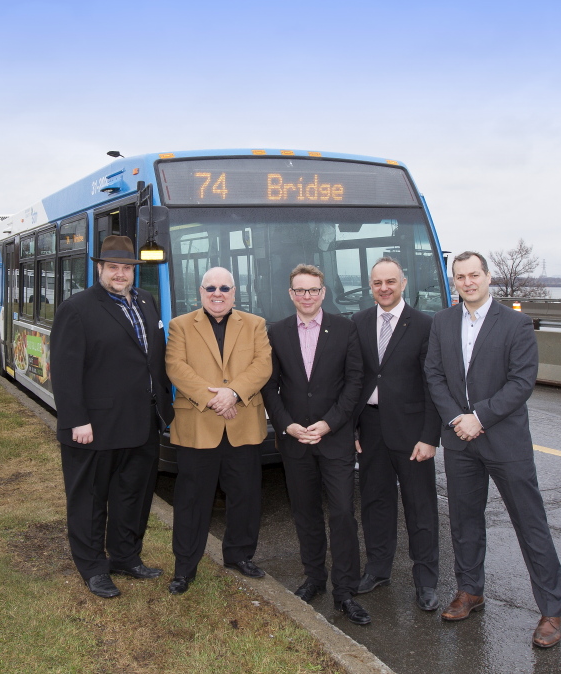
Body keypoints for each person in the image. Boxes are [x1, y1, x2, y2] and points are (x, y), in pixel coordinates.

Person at [424, 251, 561, 648]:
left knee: (530, 523)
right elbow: (433, 375)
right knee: (465, 520)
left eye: (474, 275)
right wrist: (456, 419)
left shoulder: (516, 323)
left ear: (488, 278)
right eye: (461, 277)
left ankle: (551, 610)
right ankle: (470, 591)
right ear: (454, 281)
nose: (468, 282)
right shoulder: (443, 321)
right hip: (459, 440)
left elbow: (522, 382)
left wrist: (479, 417)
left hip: (505, 440)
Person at [50, 235, 174, 599]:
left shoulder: (146, 302)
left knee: (133, 496)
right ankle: (92, 568)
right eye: (113, 267)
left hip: (142, 422)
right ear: (100, 268)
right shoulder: (77, 308)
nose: (121, 274)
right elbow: (65, 369)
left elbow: (153, 359)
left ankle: (126, 557)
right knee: (89, 500)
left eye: (127, 268)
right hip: (94, 427)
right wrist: (76, 420)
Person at [261, 264, 370, 626]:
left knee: (341, 514)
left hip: (335, 438)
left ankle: (345, 590)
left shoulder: (345, 328)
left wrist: (329, 423)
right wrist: (287, 425)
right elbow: (269, 386)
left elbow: (354, 382)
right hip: (295, 442)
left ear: (323, 292)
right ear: (290, 294)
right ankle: (314, 578)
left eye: (313, 290)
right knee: (305, 513)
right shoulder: (276, 332)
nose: (306, 296)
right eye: (299, 290)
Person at [164, 267, 272, 595]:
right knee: (192, 501)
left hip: (242, 424)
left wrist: (234, 393)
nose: (217, 293)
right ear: (200, 291)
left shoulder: (255, 325)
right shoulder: (180, 325)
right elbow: (175, 367)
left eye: (224, 287)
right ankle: (185, 567)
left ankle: (239, 555)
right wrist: (215, 399)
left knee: (246, 497)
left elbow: (262, 365)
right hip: (198, 426)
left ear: (235, 292)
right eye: (210, 287)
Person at [351, 257, 442, 612]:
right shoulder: (357, 323)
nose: (384, 288)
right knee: (375, 504)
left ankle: (426, 582)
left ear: (403, 283)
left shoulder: (424, 325)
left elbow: (434, 384)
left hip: (412, 432)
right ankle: (377, 570)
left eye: (391, 281)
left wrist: (430, 436)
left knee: (420, 508)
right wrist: (351, 429)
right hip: (370, 428)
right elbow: (353, 380)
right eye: (377, 283)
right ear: (370, 286)